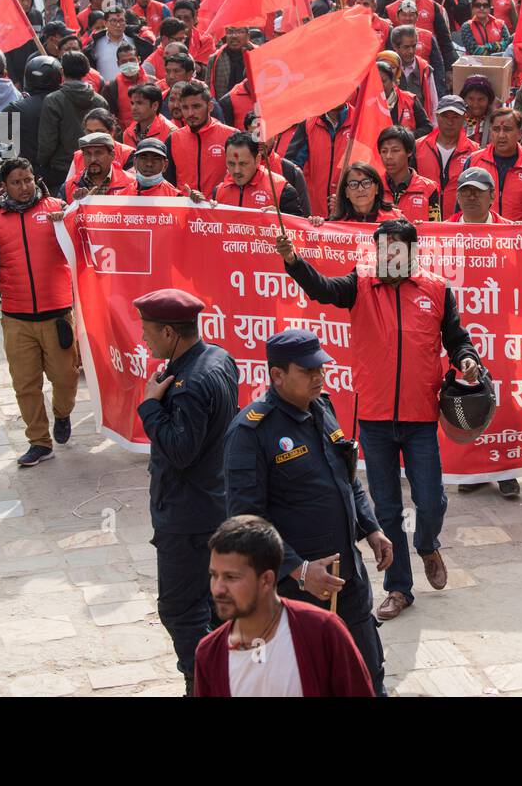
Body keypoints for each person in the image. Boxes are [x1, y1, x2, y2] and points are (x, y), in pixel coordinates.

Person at [277, 220, 481, 622]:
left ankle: (427, 543)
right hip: (373, 416)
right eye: (381, 249)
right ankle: (399, 589)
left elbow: (457, 339)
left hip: (421, 415)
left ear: (412, 252)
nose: (386, 256)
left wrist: (468, 360)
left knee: (431, 499)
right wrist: (293, 260)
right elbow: (321, 288)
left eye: (394, 250)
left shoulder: (437, 289)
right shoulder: (361, 284)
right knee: (386, 509)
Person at [224, 329, 396, 692]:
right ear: (277, 375)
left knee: (368, 676)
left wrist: (372, 528)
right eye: (308, 371)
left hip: (348, 578)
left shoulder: (322, 408)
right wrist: (299, 570)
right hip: (298, 593)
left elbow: (347, 480)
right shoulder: (251, 432)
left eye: (321, 369)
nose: (319, 377)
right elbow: (246, 524)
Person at [133, 288, 239, 696]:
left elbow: (179, 450)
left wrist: (150, 406)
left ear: (169, 333)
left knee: (179, 609)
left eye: (147, 332)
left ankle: (201, 681)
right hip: (216, 503)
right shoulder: (220, 358)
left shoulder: (190, 382)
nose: (144, 339)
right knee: (214, 605)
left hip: (186, 514)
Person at [194, 515, 375, 697]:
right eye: (214, 575)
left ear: (266, 579)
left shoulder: (323, 632)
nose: (217, 589)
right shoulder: (209, 654)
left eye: (231, 577)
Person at [0, 158, 77, 467]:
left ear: (36, 179)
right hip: (17, 318)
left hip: (58, 312)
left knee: (66, 379)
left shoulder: (58, 210)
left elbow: (83, 243)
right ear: (4, 186)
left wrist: (72, 217)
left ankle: (62, 413)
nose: (24, 187)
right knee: (25, 384)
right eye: (17, 182)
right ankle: (39, 441)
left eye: (28, 180)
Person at [464, 107, 522, 223]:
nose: (501, 135)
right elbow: (461, 205)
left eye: (507, 129)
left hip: (519, 238)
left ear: (520, 133)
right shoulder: (473, 161)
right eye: (496, 129)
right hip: (482, 237)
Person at [38, 51, 109, 194]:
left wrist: (41, 163)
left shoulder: (53, 100)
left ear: (62, 71)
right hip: (96, 166)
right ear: (87, 71)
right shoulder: (100, 101)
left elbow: (47, 140)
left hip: (60, 169)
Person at [206, 131, 305, 215]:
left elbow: (300, 231)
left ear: (257, 160)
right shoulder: (219, 191)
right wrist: (204, 209)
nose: (236, 170)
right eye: (231, 164)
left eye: (243, 164)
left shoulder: (281, 190)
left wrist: (282, 219)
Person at [166, 82, 235, 197]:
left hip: (219, 209)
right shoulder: (173, 139)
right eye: (185, 107)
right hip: (185, 210)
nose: (190, 113)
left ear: (210, 106)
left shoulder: (231, 136)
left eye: (196, 106)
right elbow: (168, 183)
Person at [416, 95, 477, 217]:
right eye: (445, 116)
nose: (450, 122)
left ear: (465, 118)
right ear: (437, 117)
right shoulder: (417, 147)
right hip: (423, 221)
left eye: (455, 117)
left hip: (458, 224)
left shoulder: (475, 151)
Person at [377, 125, 439, 222]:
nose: (388, 156)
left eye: (395, 150)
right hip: (382, 237)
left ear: (409, 152)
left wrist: (420, 229)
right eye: (384, 151)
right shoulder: (374, 186)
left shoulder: (429, 188)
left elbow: (435, 230)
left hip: (416, 237)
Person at [66, 132, 136, 199]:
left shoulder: (132, 183)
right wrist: (77, 205)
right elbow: (62, 210)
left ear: (112, 155)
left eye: (98, 153)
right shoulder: (69, 186)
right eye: (88, 154)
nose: (92, 159)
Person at [447, 166, 520, 224]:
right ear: (458, 197)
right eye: (466, 192)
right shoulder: (443, 233)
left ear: (492, 196)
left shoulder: (510, 232)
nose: (472, 197)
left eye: (478, 191)